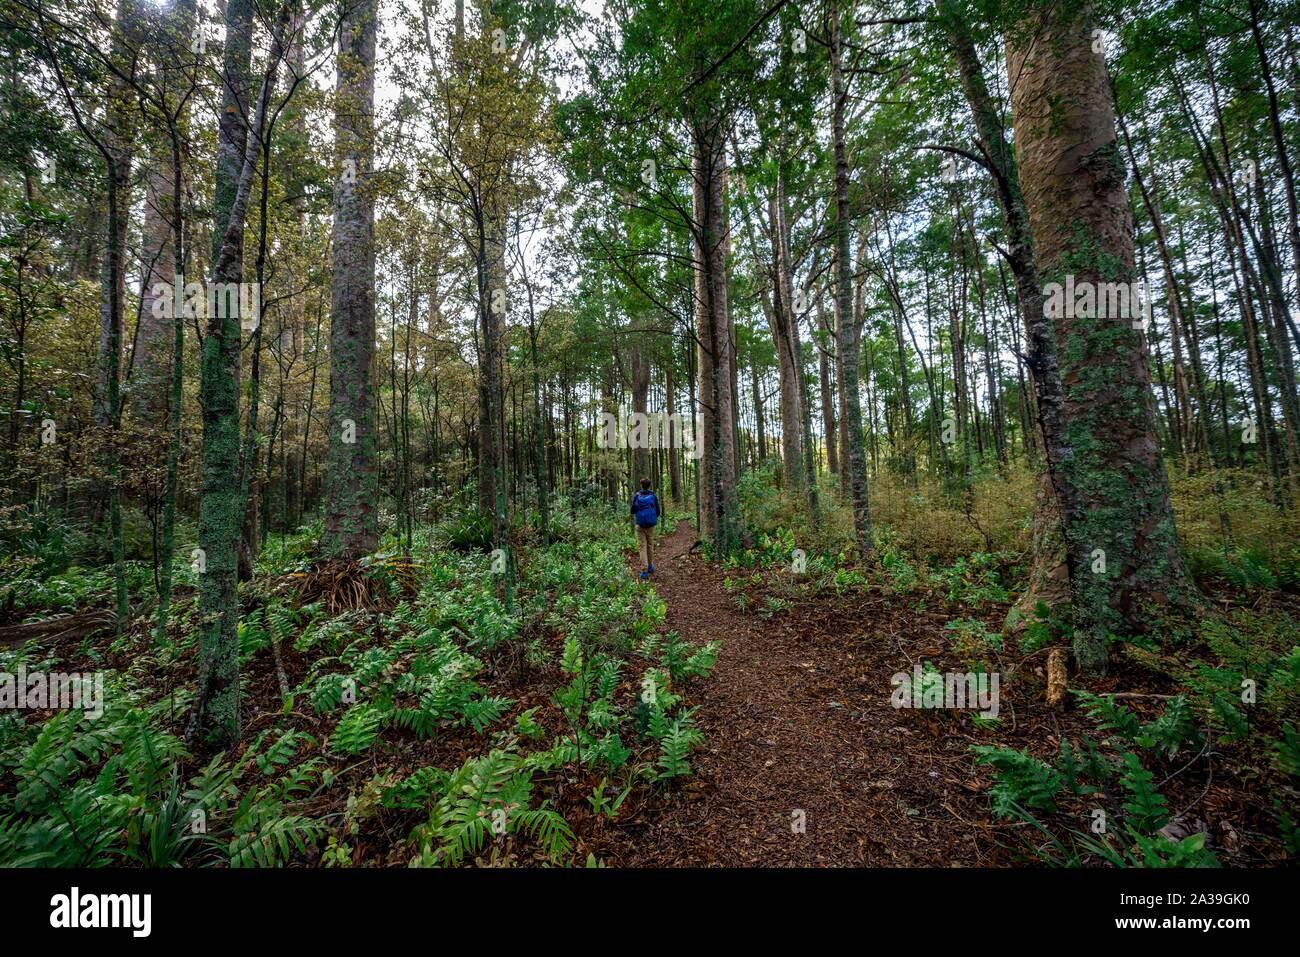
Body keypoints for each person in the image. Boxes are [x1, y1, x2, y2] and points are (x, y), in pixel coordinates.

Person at [629, 478, 662, 580]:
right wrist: (651, 518)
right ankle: (650, 566)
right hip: (651, 525)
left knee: (642, 547)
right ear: (649, 485)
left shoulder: (637, 496)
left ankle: (644, 571)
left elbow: (632, 511)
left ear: (641, 485)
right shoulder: (653, 496)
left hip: (640, 525)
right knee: (650, 545)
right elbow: (658, 511)